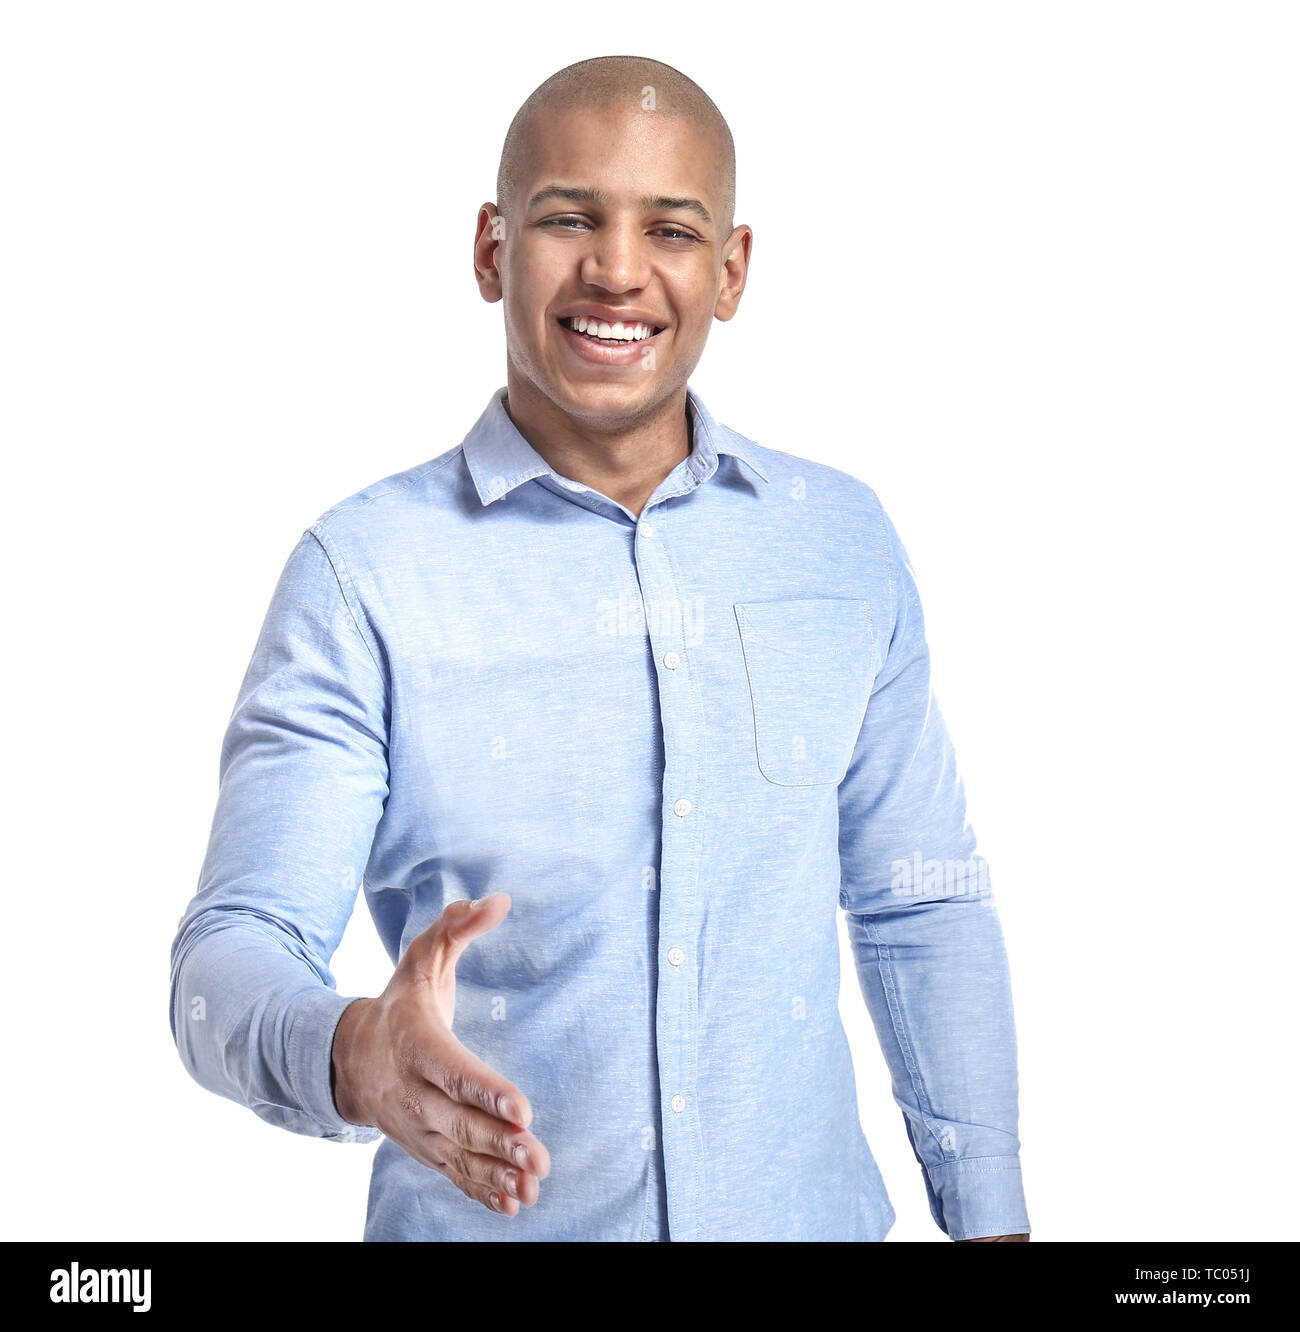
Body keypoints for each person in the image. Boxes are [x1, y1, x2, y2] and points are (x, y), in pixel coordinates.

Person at [170, 53, 1031, 1243]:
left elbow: (915, 904)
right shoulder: (361, 578)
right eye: (569, 217)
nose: (617, 271)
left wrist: (992, 1222)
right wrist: (355, 1054)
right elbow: (232, 951)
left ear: (729, 272)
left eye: (669, 230)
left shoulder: (839, 544)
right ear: (490, 249)